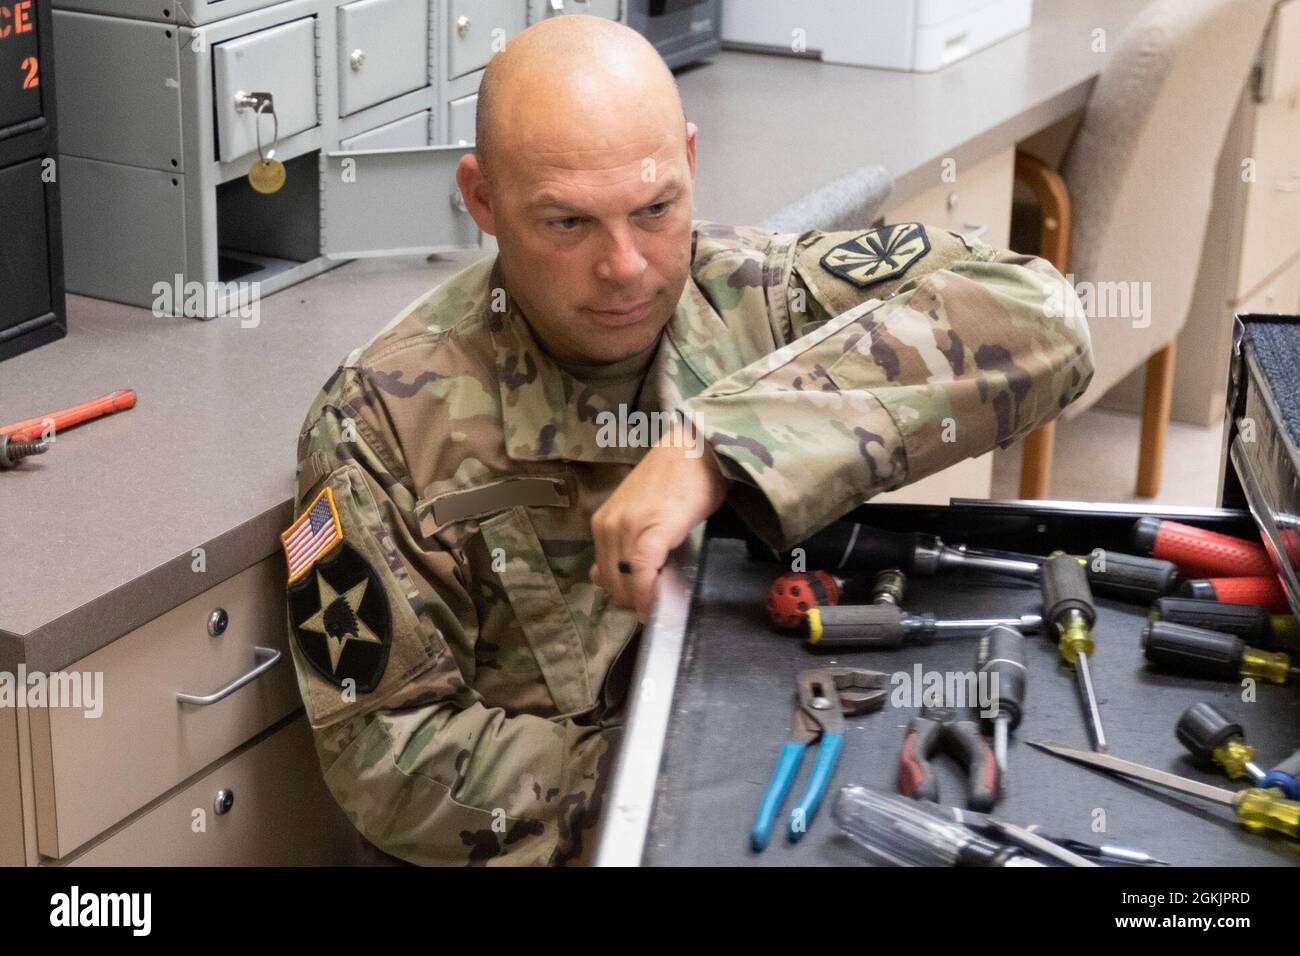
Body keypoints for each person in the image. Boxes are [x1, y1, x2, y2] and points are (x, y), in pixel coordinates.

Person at [280, 14, 1094, 865]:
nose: (626, 265)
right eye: (568, 223)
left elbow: (1045, 314)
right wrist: (675, 780)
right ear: (481, 199)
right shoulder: (379, 420)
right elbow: (386, 760)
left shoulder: (759, 298)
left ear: (691, 163)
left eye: (656, 209)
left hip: (780, 781)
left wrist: (720, 443)